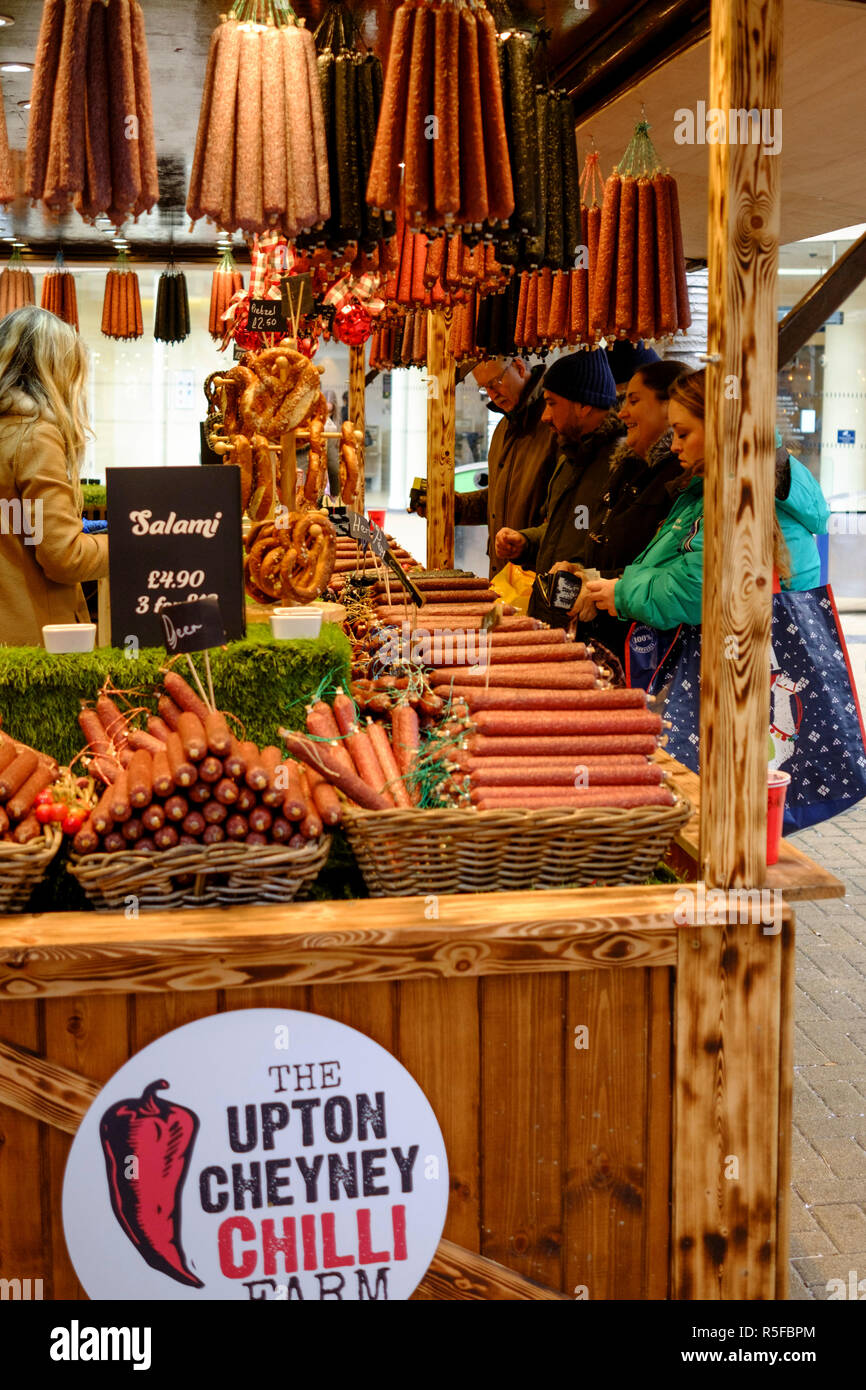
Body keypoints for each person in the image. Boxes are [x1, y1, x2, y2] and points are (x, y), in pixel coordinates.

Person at [584, 369, 829, 631]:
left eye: (683, 433)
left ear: (719, 429)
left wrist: (622, 593)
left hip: (750, 665)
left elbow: (703, 584)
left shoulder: (744, 495)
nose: (675, 446)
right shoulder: (722, 487)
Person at [560, 359, 688, 662]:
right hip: (607, 639)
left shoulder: (681, 481)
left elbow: (673, 572)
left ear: (670, 407)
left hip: (647, 653)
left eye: (634, 400)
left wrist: (604, 588)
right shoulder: (627, 467)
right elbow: (604, 542)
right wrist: (579, 571)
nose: (622, 413)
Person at [0, 306, 108, 647]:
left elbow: (18, 527)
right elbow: (65, 558)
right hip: (33, 641)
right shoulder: (33, 435)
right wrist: (139, 542)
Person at [495, 350, 625, 627]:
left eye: (552, 403)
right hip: (549, 616)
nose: (544, 416)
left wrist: (590, 581)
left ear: (583, 406)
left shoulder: (621, 466)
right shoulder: (570, 458)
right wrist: (527, 541)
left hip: (590, 629)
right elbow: (566, 528)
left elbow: (627, 557)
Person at [410, 355, 557, 579]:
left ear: (518, 367)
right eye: (485, 387)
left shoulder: (552, 424)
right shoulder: (503, 429)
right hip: (504, 576)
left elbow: (562, 517)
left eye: (495, 382)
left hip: (539, 578)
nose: (492, 393)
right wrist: (454, 506)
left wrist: (526, 542)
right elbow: (498, 499)